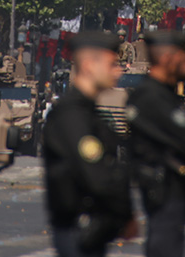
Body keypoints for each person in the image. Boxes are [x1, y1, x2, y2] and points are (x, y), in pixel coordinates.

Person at [42, 30, 137, 257]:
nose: (118, 70)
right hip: (79, 229)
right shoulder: (72, 115)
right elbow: (96, 174)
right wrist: (125, 212)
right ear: (88, 65)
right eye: (112, 64)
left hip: (93, 231)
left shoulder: (88, 112)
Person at [126, 30, 185, 257]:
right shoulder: (151, 96)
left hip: (174, 191)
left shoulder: (167, 95)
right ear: (167, 59)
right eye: (184, 58)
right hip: (163, 190)